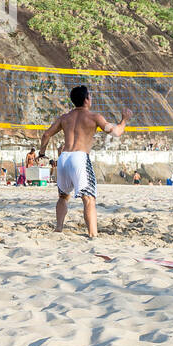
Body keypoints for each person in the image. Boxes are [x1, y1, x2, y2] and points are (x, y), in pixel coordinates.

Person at [37, 86, 129, 238]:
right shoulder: (94, 117)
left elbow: (46, 134)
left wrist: (42, 153)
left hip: (64, 158)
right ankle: (93, 234)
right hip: (79, 157)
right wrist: (124, 119)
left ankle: (59, 229)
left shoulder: (64, 118)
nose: (91, 99)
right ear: (86, 99)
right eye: (90, 96)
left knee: (63, 197)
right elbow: (117, 132)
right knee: (89, 198)